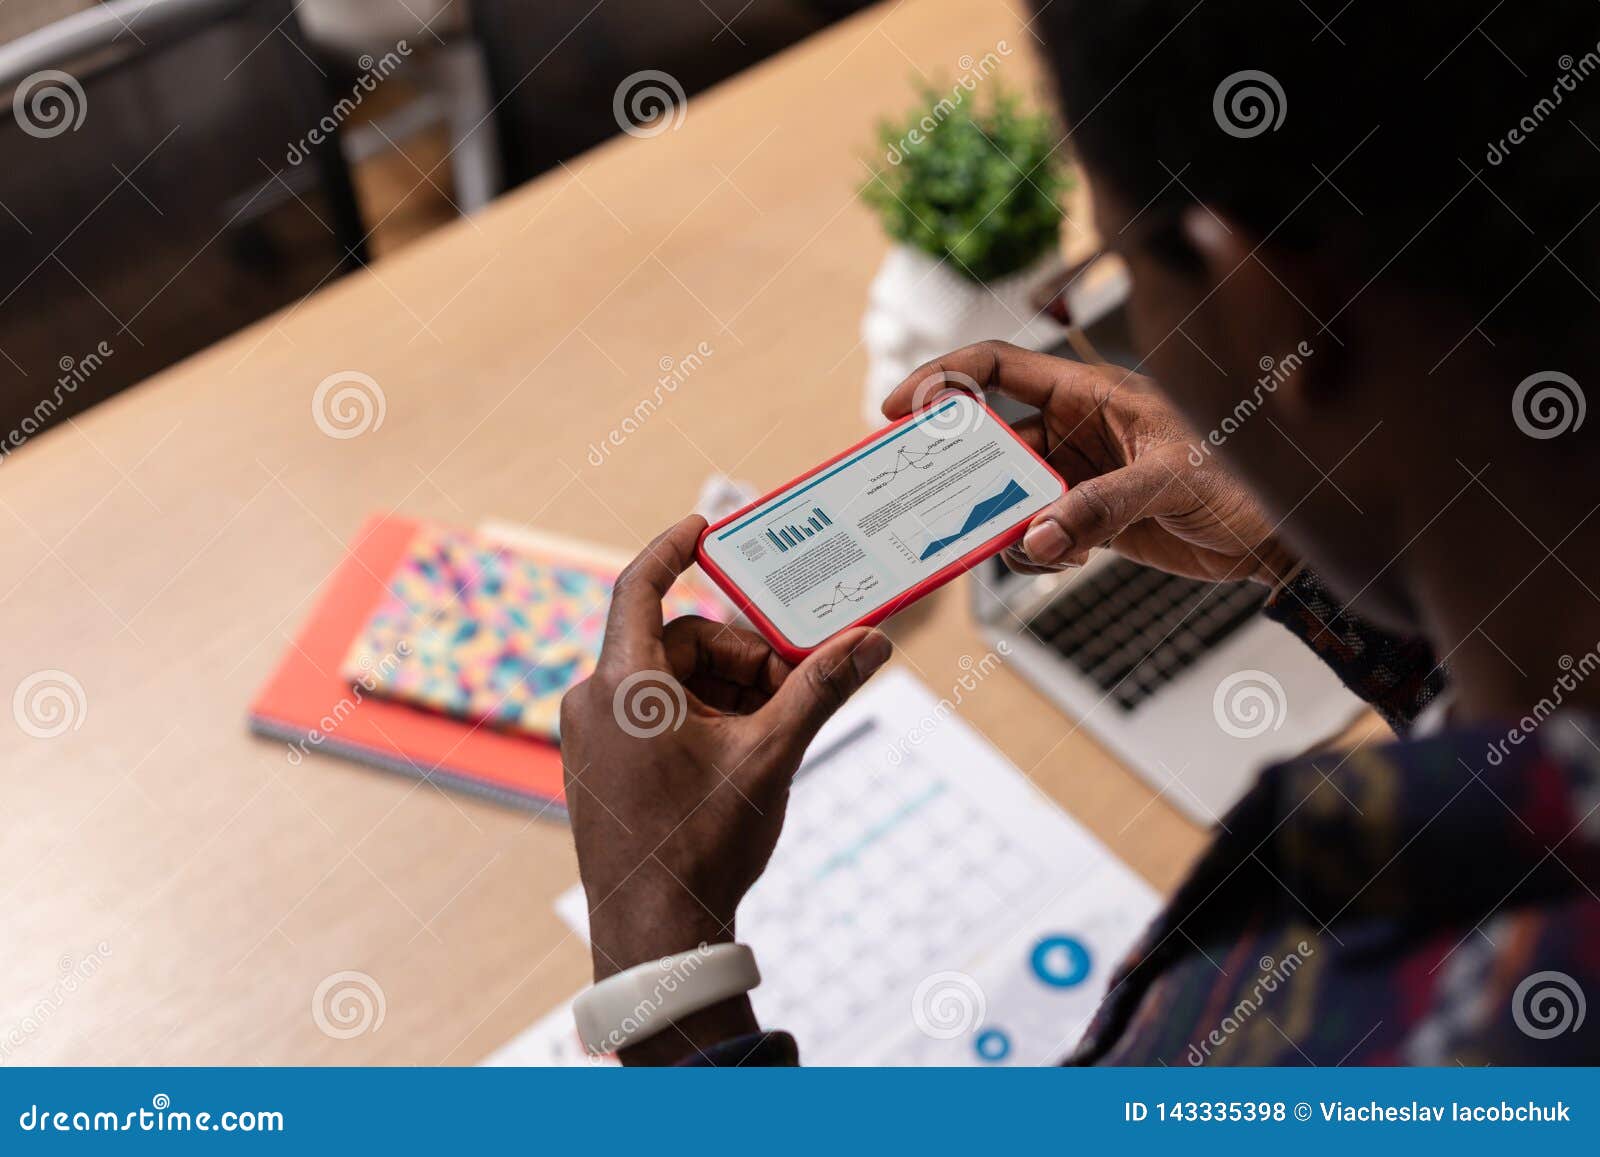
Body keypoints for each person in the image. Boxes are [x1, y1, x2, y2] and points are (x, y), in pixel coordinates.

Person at [557, 0, 1600, 1064]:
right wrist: (1310, 527)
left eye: (1107, 280)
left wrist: (662, 963)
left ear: (1278, 318)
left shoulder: (1361, 1012)